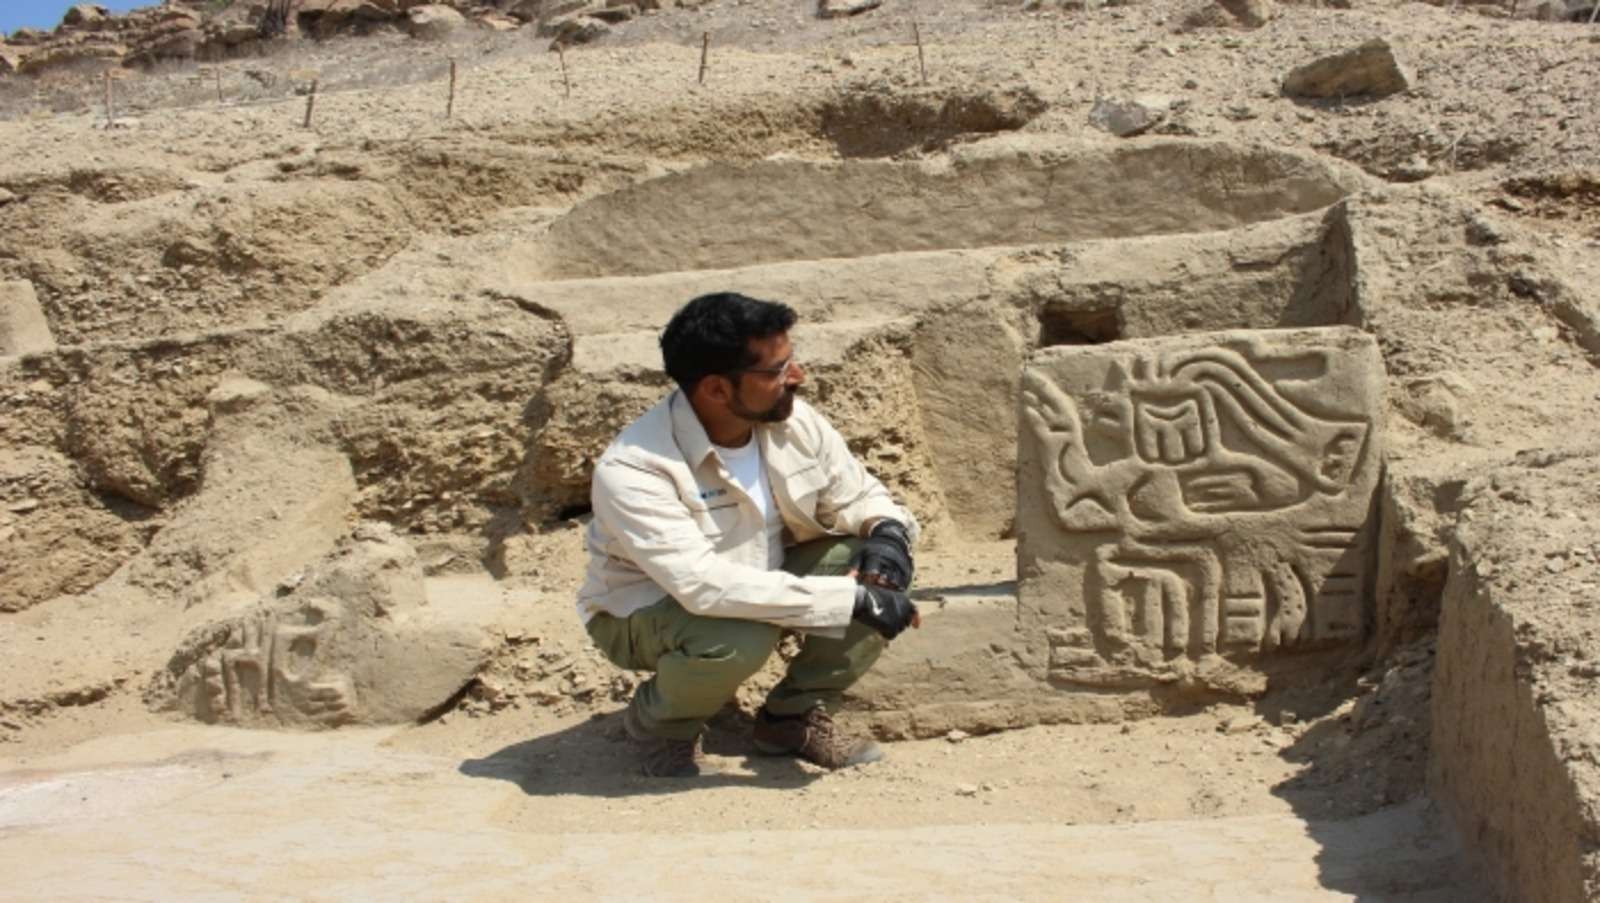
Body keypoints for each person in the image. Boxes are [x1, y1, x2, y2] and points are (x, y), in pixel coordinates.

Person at [577, 292, 922, 778]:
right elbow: (702, 585)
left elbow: (858, 494)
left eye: (791, 361)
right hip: (644, 612)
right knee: (739, 634)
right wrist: (849, 601)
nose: (797, 377)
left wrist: (887, 535)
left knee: (876, 569)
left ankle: (789, 719)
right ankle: (661, 725)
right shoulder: (635, 468)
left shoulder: (791, 420)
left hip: (761, 577)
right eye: (778, 370)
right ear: (717, 389)